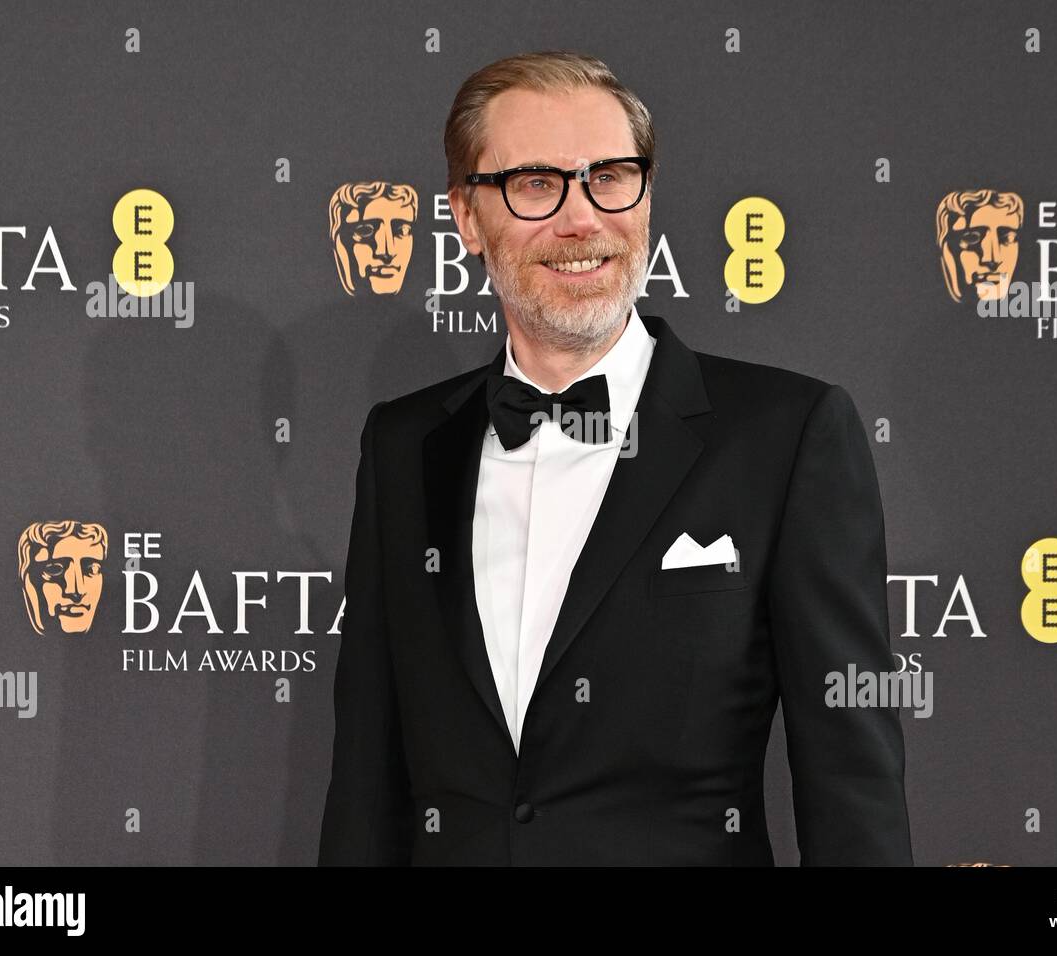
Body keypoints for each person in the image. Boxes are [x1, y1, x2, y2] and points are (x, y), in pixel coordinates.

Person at [318, 50, 912, 866]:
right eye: (536, 184)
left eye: (610, 177)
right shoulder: (403, 446)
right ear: (464, 216)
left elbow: (853, 790)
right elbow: (366, 786)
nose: (582, 220)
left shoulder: (786, 435)